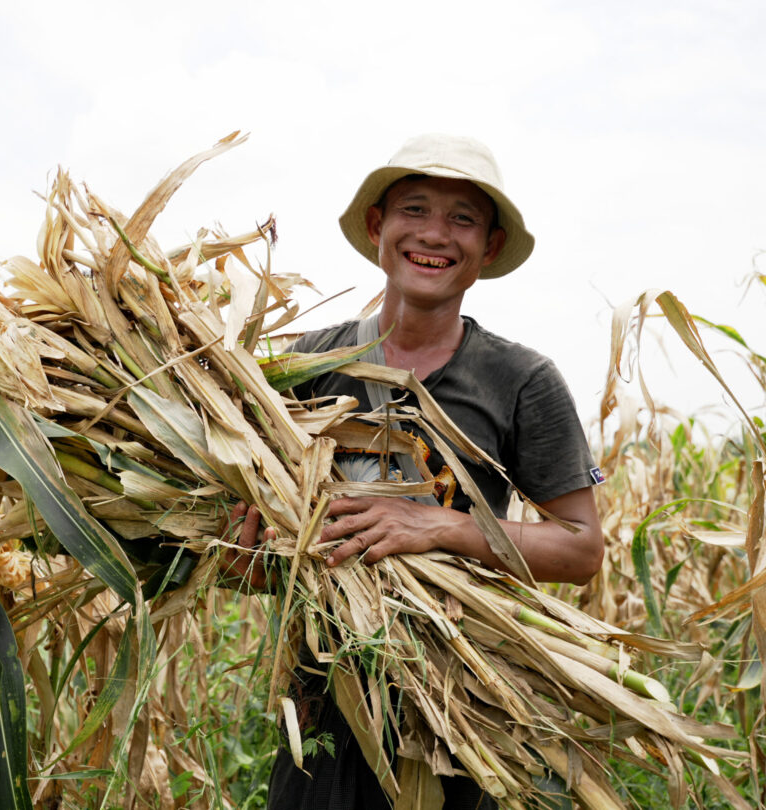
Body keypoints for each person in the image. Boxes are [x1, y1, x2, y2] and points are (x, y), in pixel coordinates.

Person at [220, 133, 606, 809]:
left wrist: (439, 526)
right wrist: (248, 557)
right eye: (415, 209)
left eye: (463, 219)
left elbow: (580, 549)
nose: (435, 234)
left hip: (456, 717)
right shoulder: (302, 367)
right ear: (378, 226)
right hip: (321, 717)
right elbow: (260, 547)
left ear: (489, 247)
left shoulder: (521, 381)